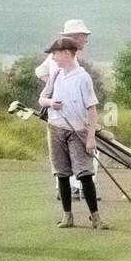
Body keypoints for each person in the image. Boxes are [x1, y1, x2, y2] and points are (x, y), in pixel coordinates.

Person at [40, 36, 107, 229]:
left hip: (78, 130)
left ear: (68, 54)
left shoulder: (83, 77)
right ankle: (67, 216)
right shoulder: (56, 75)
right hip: (55, 128)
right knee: (61, 173)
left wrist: (91, 138)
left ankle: (96, 218)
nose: (53, 58)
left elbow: (92, 110)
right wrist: (51, 103)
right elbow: (42, 99)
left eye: (56, 54)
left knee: (85, 173)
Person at [36, 19, 99, 203]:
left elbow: (39, 72)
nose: (85, 40)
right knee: (70, 155)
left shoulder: (72, 61)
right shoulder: (60, 59)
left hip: (73, 115)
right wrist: (53, 94)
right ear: (74, 37)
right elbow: (43, 74)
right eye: (83, 36)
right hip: (63, 117)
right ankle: (74, 189)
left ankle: (74, 188)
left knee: (75, 153)